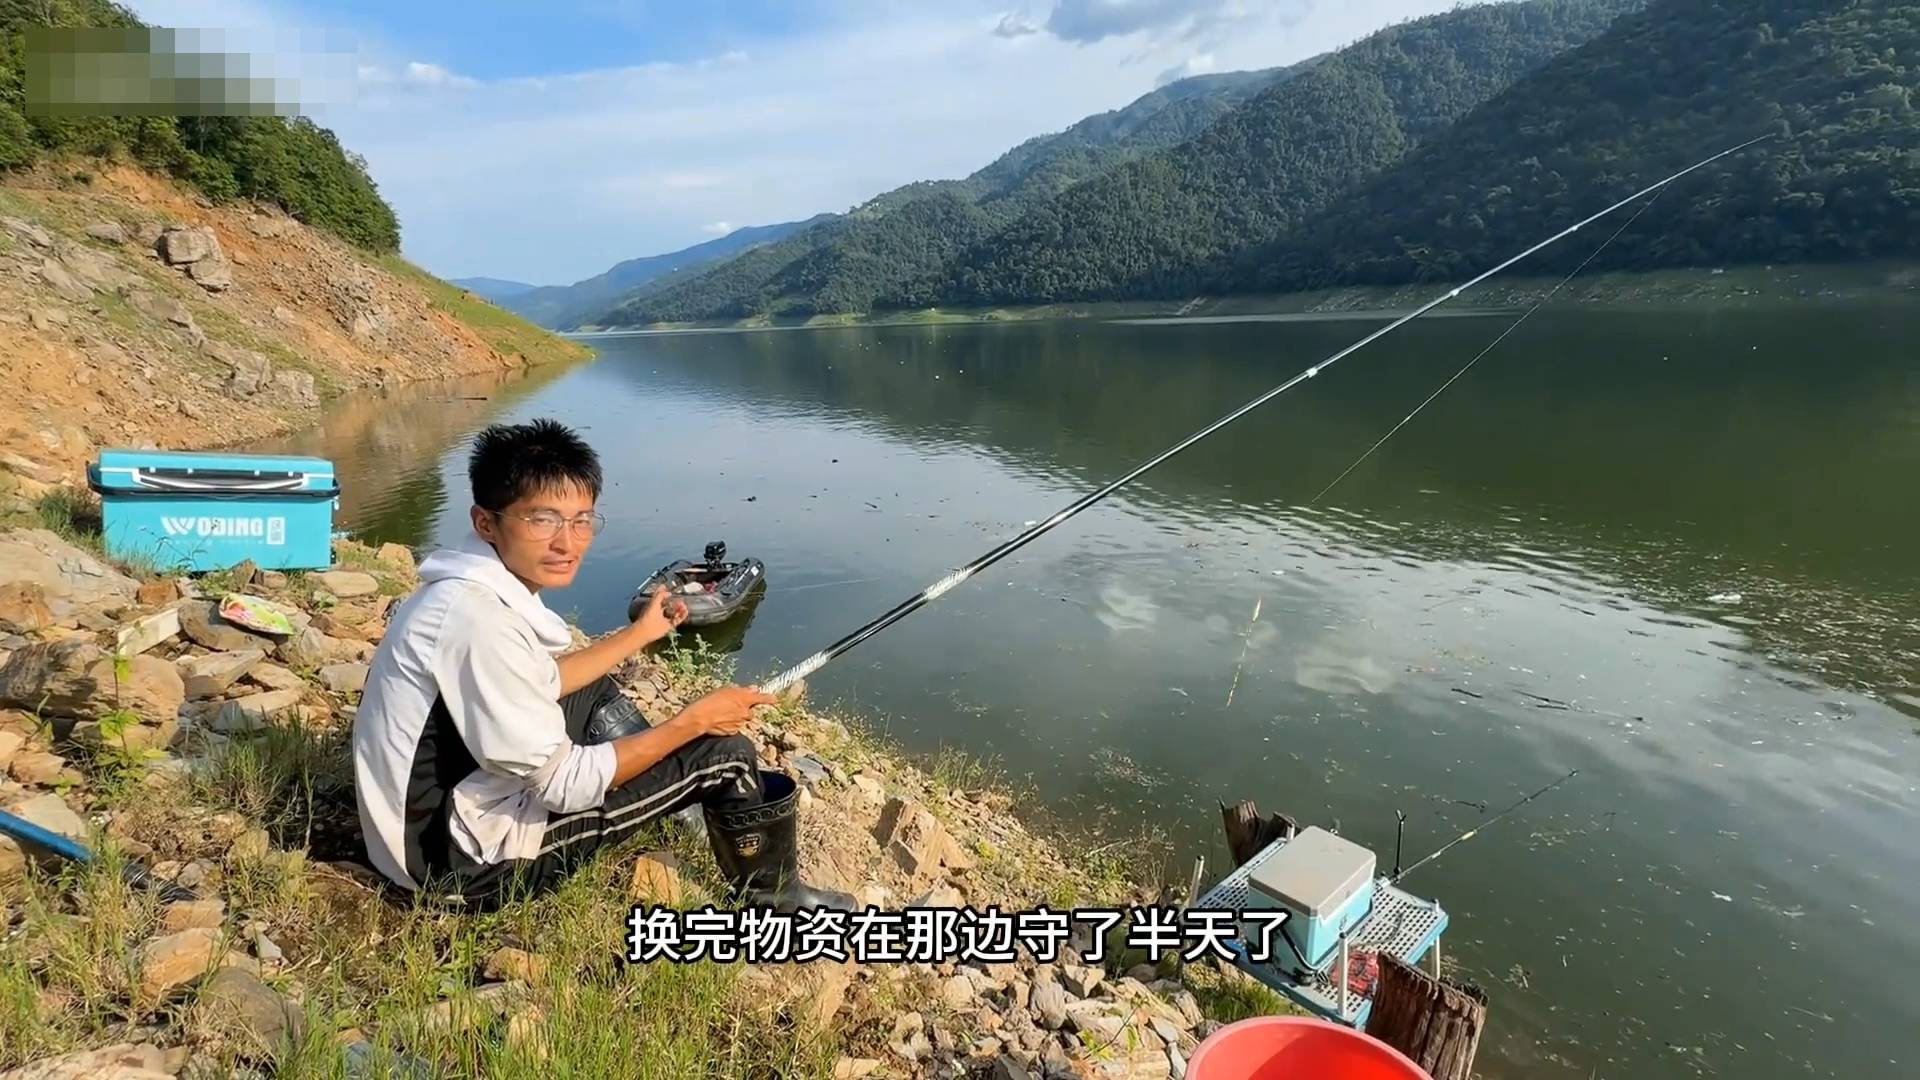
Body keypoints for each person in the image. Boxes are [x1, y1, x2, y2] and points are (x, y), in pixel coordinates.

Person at [350, 417, 855, 913]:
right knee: (727, 753)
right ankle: (773, 897)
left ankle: (672, 797)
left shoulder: (467, 593)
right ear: (486, 522)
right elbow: (563, 785)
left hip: (429, 822)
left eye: (581, 521)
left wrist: (640, 634)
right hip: (458, 867)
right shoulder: (477, 623)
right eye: (542, 520)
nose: (567, 543)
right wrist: (692, 723)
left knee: (590, 691)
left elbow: (546, 680)